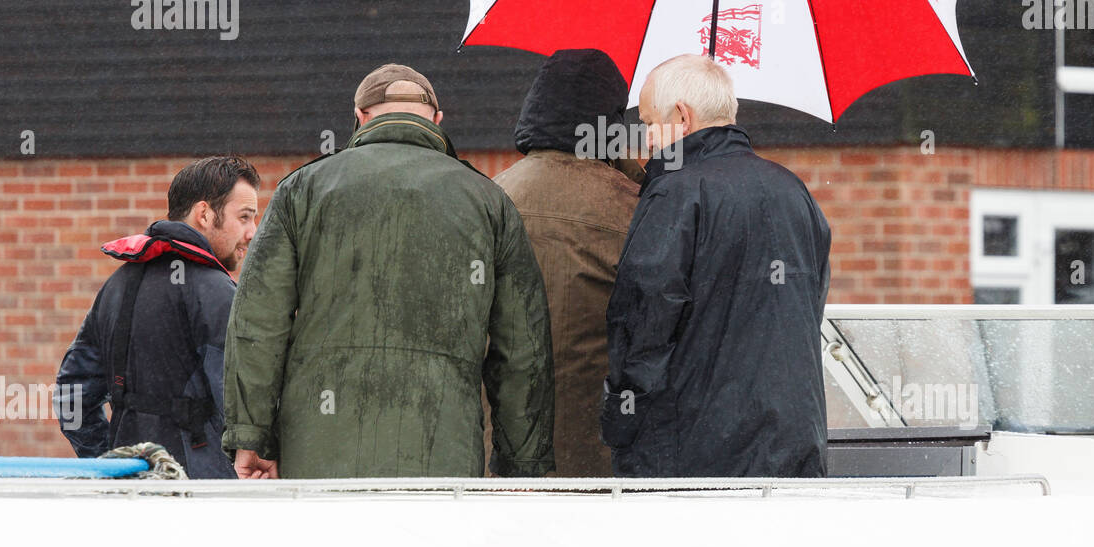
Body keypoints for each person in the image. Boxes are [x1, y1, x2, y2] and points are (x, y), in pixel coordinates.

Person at [222, 63, 555, 480]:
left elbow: (257, 323)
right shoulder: (489, 202)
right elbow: (522, 350)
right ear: (437, 120)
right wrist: (523, 466)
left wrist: (251, 436)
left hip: (319, 452)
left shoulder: (302, 190)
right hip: (441, 453)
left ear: (360, 116)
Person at [602, 54, 831, 477]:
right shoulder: (794, 191)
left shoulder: (674, 194)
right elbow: (809, 307)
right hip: (795, 442)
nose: (648, 141)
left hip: (692, 449)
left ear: (683, 117)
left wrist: (622, 419)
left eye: (651, 124)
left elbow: (643, 321)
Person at [55, 155, 261, 478]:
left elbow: (71, 394)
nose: (252, 233)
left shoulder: (117, 285)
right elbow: (243, 406)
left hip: (127, 491)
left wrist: (109, 460)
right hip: (201, 499)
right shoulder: (217, 292)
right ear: (204, 214)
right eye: (245, 217)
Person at [494, 49, 644, 477]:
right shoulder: (634, 207)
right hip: (595, 450)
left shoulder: (490, 194)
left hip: (501, 451)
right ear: (611, 122)